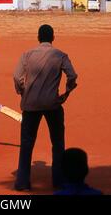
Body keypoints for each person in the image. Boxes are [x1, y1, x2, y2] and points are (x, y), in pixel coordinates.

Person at [13, 24, 78, 191]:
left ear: (38, 37)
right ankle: (59, 181)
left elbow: (17, 76)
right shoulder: (60, 55)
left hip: (30, 105)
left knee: (26, 143)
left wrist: (23, 91)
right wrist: (67, 92)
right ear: (53, 38)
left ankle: (22, 182)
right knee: (57, 143)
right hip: (52, 104)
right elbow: (72, 75)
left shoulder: (27, 55)